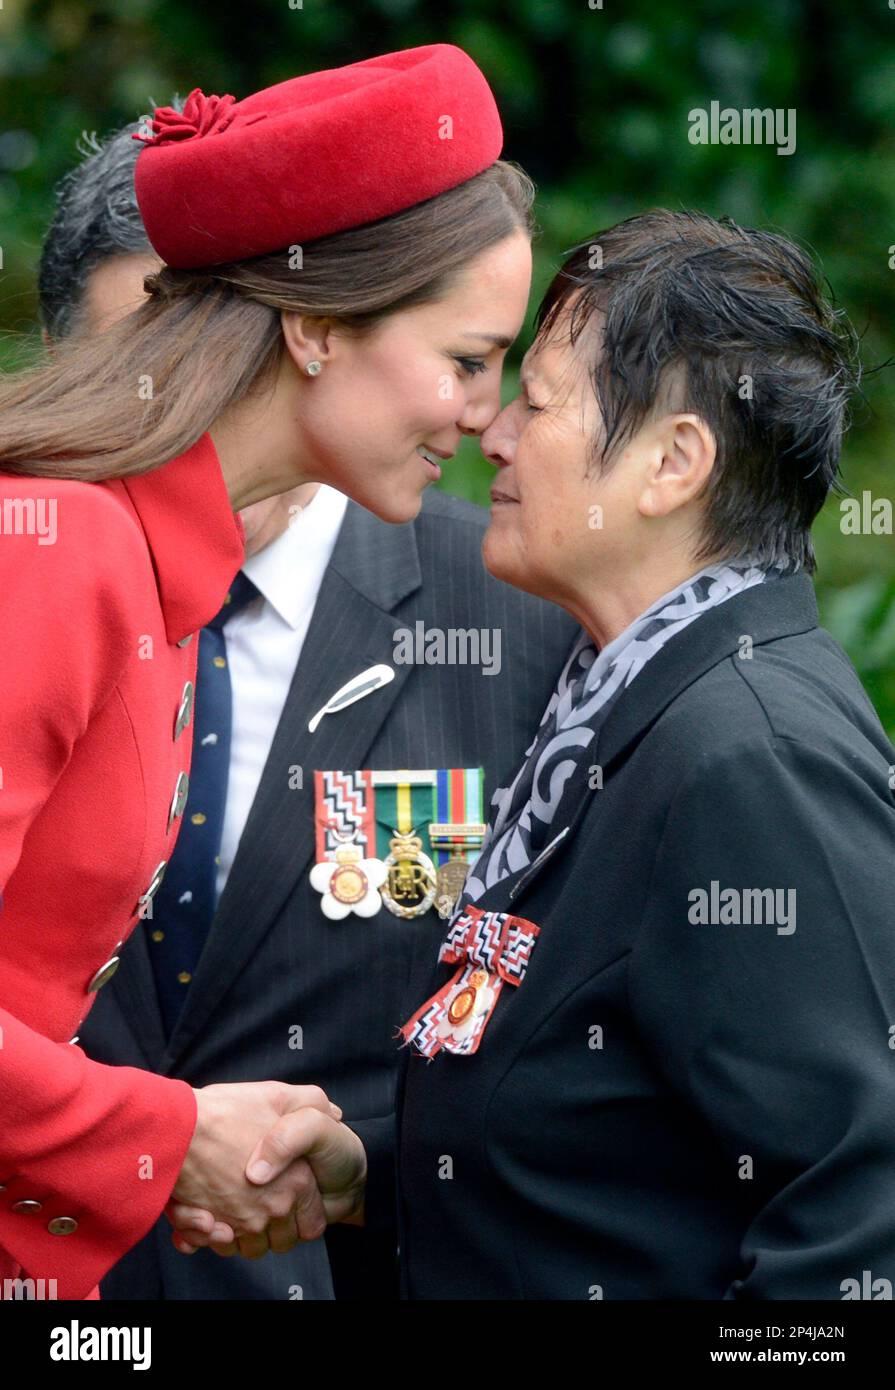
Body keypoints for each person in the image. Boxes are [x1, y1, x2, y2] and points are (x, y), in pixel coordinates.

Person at [193, 211, 895, 1299]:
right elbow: (607, 1143)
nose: (494, 433)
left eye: (538, 399)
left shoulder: (748, 752)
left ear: (672, 463)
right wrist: (364, 1168)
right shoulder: (618, 702)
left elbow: (858, 1226)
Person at [0, 43, 542, 1300]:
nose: (489, 416)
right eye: (467, 357)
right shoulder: (65, 550)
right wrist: (165, 1138)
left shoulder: (149, 564)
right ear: (310, 327)